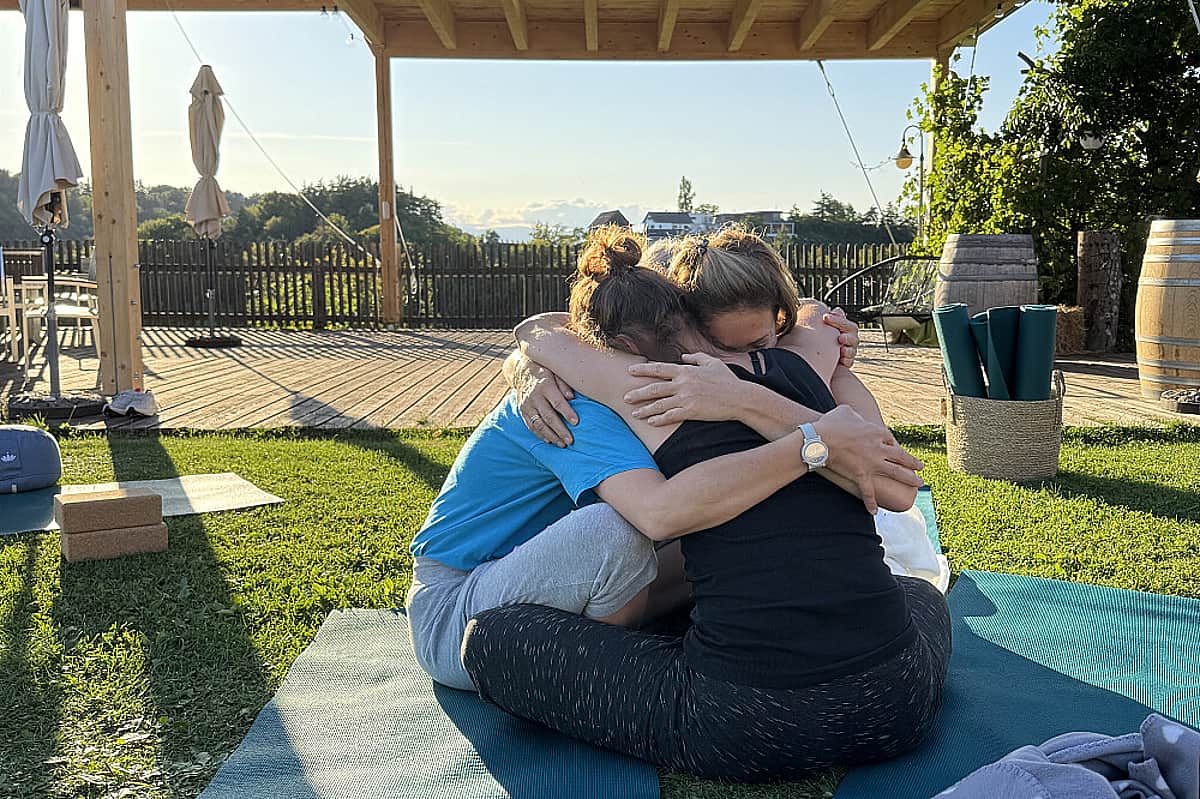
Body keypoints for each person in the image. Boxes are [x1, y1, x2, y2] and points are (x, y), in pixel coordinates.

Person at [460, 229, 951, 782]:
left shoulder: (645, 384)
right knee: (913, 591)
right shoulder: (808, 368)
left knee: (491, 638)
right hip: (897, 703)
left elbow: (544, 335)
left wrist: (528, 364)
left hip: (743, 722)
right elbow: (815, 320)